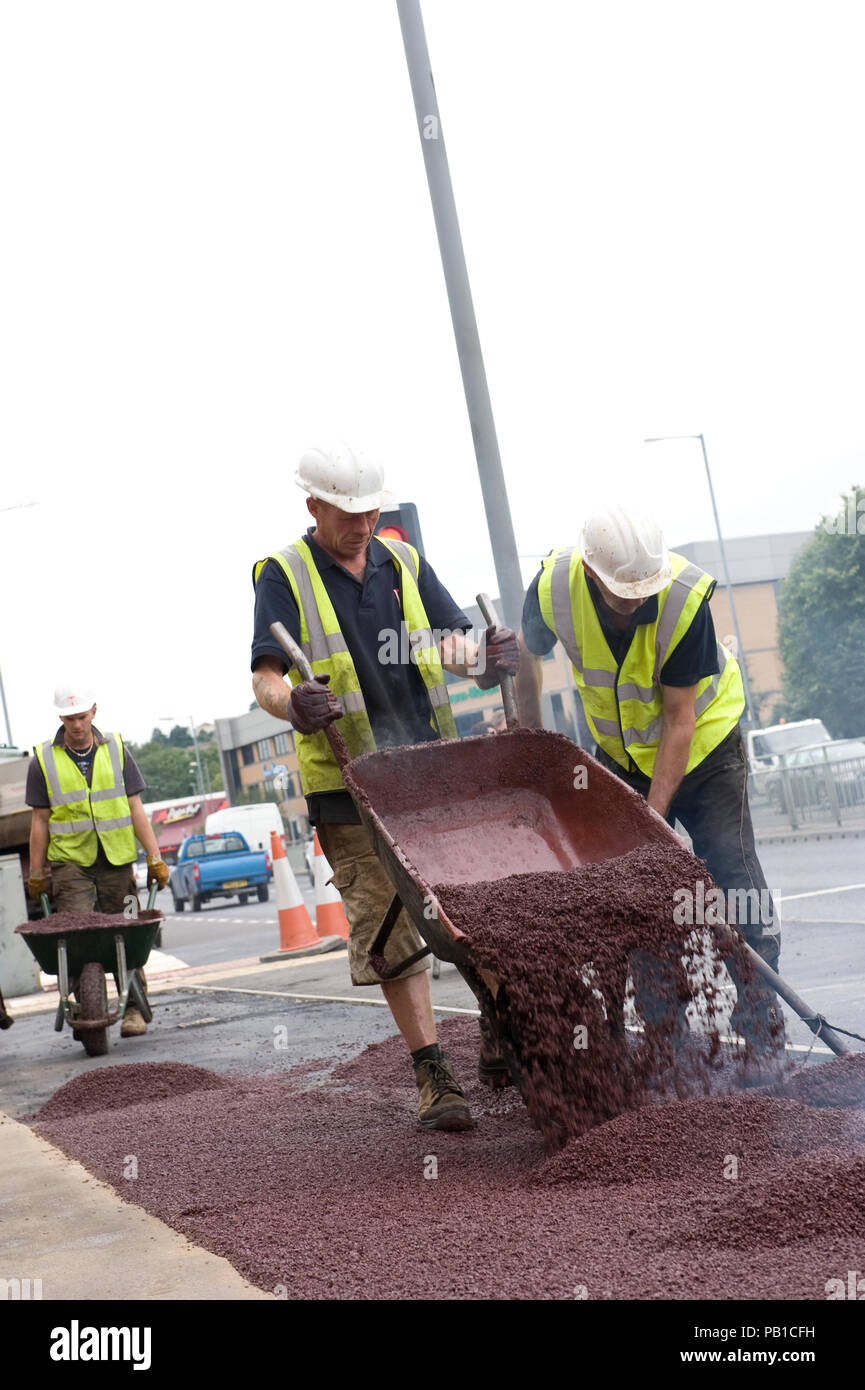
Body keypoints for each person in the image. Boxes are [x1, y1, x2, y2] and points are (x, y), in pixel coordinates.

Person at [251, 442, 520, 1129]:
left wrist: (485, 661)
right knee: (389, 928)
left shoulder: (401, 562)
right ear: (313, 506)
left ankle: (498, 1022)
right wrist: (292, 706)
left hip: (427, 776)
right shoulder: (283, 574)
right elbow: (265, 678)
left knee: (471, 910)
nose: (363, 524)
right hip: (348, 788)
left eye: (370, 510)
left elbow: (451, 641)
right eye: (347, 513)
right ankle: (434, 1075)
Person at [517, 505, 783, 1063]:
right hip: (620, 752)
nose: (638, 600)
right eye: (624, 592)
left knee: (730, 870)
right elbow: (525, 656)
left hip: (706, 745)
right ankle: (662, 1025)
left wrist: (651, 821)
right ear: (593, 575)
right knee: (629, 886)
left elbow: (680, 719)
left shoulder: (685, 600)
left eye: (645, 589)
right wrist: (528, 738)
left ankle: (761, 1016)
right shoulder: (551, 590)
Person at [25, 685, 170, 1037]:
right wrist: (36, 872)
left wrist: (154, 857)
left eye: (82, 716)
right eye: (70, 718)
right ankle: (86, 1002)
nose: (77, 725)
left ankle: (134, 1008)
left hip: (118, 859)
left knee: (129, 930)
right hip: (70, 862)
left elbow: (135, 808)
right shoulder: (43, 760)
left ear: (94, 711)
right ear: (60, 717)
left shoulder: (117, 750)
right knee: (77, 935)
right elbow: (40, 821)